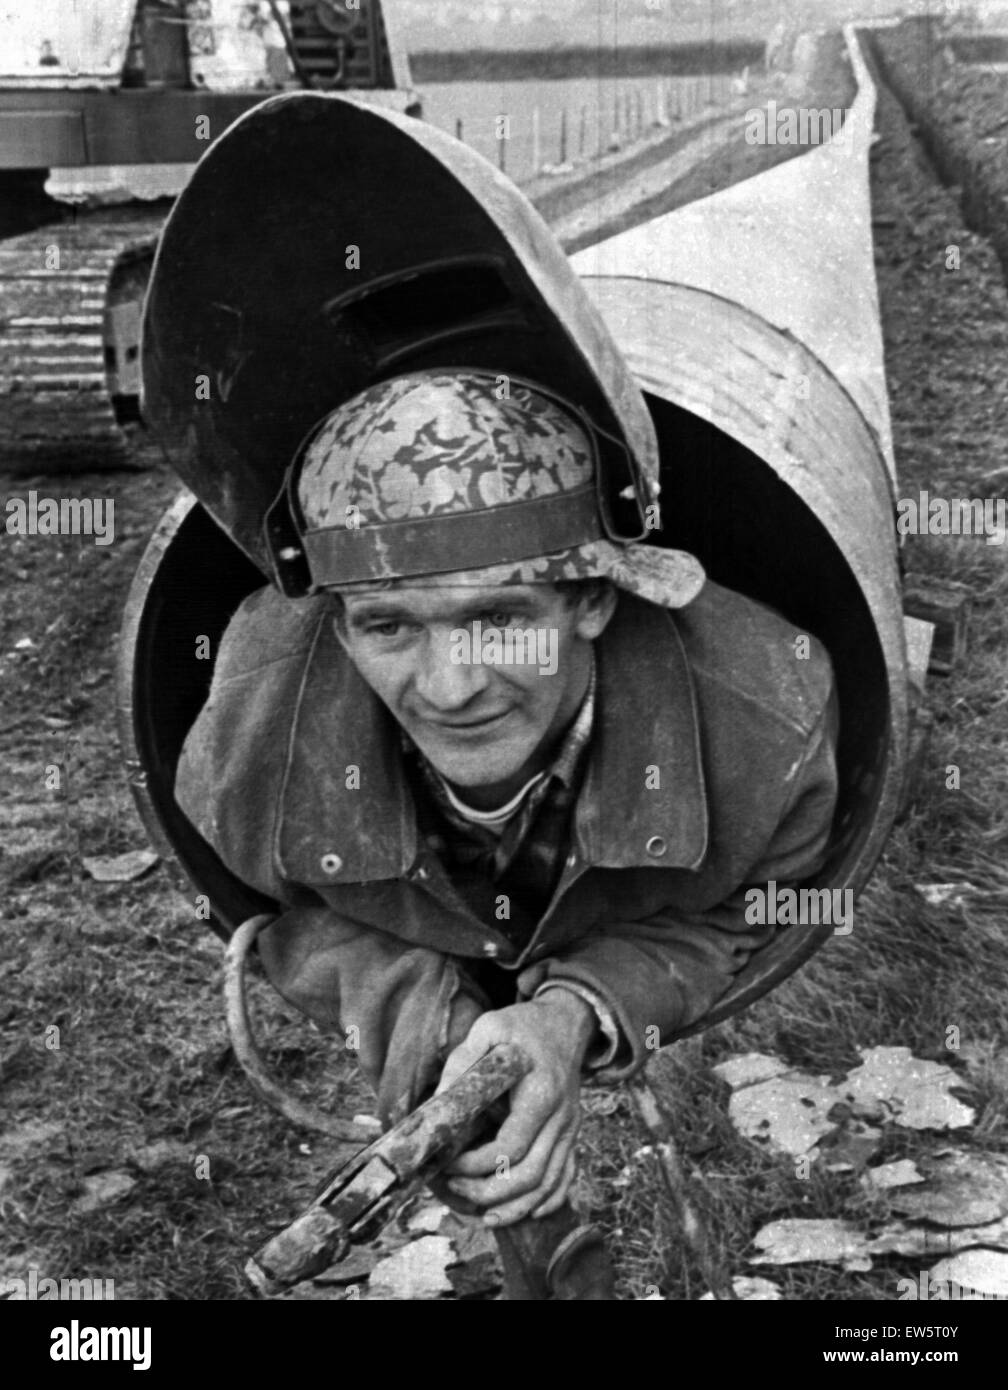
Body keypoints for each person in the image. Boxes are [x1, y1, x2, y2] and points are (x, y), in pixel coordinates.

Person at [174, 367, 840, 1300]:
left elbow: (730, 913)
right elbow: (273, 908)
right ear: (335, 624)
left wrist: (573, 1013)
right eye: (389, 625)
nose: (449, 689)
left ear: (594, 599)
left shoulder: (762, 731)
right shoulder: (249, 750)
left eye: (498, 618)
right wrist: (432, 1028)